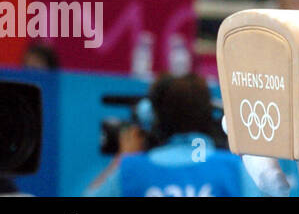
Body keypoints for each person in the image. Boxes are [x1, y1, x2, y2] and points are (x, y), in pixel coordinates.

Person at [87, 74, 262, 197]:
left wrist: (121, 158)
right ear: (207, 115)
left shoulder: (130, 170)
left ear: (154, 119)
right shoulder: (232, 169)